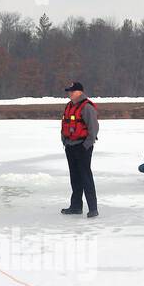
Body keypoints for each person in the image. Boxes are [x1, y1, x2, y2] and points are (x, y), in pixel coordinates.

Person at [59, 81, 98, 217]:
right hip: (70, 146)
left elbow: (94, 129)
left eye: (71, 91)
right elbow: (64, 124)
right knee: (75, 177)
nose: (69, 94)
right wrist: (65, 141)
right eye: (68, 91)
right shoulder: (69, 106)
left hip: (82, 146)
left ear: (79, 92)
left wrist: (86, 145)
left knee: (85, 177)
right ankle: (76, 206)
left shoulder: (87, 107)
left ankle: (93, 208)